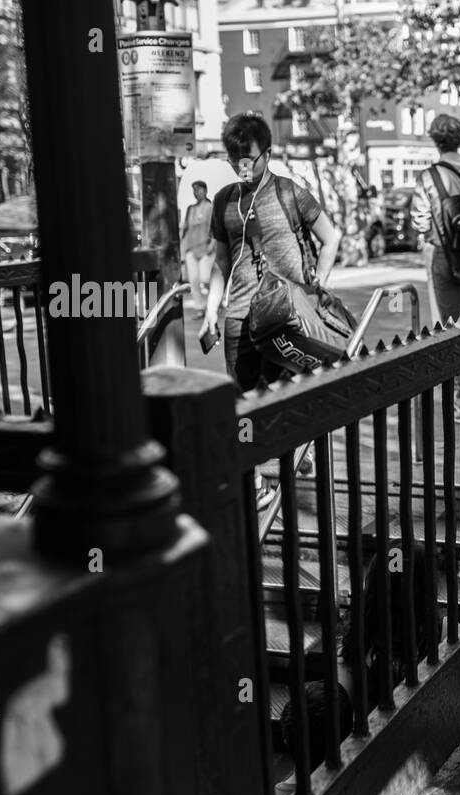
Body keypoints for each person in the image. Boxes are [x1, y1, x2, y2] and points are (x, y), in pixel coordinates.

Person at [202, 113, 344, 505]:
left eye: (248, 158)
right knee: (242, 400)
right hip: (239, 316)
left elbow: (330, 238)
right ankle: (261, 478)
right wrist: (211, 311)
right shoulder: (224, 200)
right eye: (234, 160)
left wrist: (319, 286)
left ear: (267, 152)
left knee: (282, 396)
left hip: (285, 315)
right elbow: (221, 260)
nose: (242, 167)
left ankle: (285, 462)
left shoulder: (290, 193)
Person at [411, 113, 460, 323]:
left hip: (445, 253)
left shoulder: (428, 176)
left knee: (450, 327)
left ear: (435, 141)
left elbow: (420, 221)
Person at [180, 180, 215, 307]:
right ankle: (200, 307)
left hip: (205, 248)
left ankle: (212, 305)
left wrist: (212, 245)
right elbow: (185, 230)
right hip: (191, 249)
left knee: (205, 280)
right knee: (193, 281)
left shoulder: (210, 207)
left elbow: (215, 229)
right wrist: (183, 251)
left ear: (205, 191)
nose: (196, 192)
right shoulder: (190, 209)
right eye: (194, 190)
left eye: (199, 189)